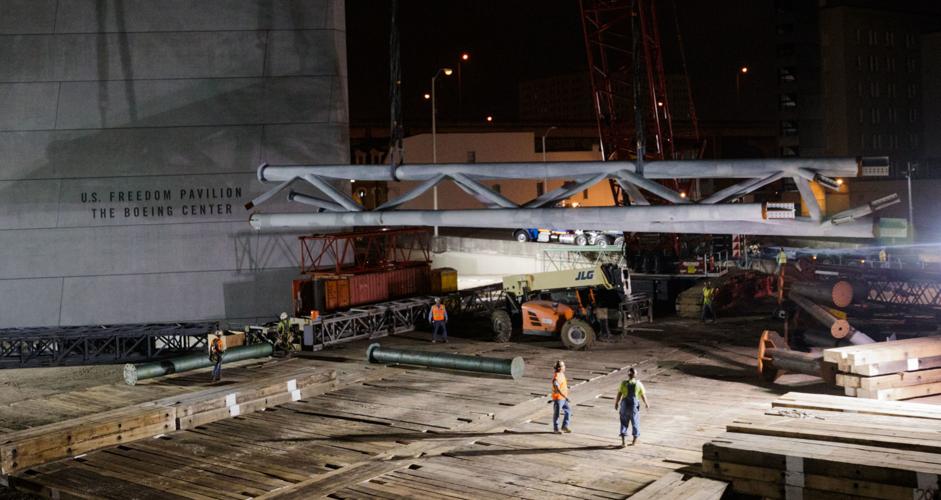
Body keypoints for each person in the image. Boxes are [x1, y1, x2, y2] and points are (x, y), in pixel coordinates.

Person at [614, 367, 649, 447]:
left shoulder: (623, 383)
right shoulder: (638, 384)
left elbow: (619, 394)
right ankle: (634, 441)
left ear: (628, 374)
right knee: (635, 422)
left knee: (623, 422)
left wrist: (616, 403)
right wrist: (646, 403)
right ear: (635, 375)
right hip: (633, 406)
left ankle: (623, 442)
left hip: (624, 405)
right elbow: (643, 395)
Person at [551, 360, 572, 434]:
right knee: (557, 414)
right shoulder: (556, 377)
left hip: (563, 398)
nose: (564, 367)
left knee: (568, 411)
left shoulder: (562, 374)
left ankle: (564, 426)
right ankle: (556, 429)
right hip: (559, 399)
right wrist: (565, 397)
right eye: (563, 365)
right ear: (560, 368)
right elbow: (557, 388)